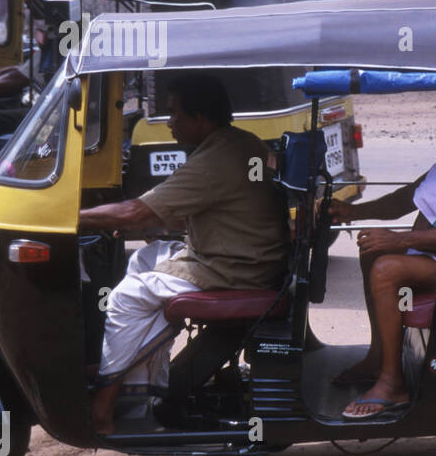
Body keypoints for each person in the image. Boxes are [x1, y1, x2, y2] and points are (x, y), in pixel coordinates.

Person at [79, 74, 289, 433]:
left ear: (200, 119)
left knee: (125, 298)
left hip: (236, 271)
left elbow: (135, 211)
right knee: (144, 259)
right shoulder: (237, 143)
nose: (169, 122)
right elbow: (204, 207)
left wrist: (67, 218)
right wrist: (145, 222)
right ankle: (136, 373)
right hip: (245, 256)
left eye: (174, 113)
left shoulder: (215, 160)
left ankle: (105, 401)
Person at [327, 91, 436, 419]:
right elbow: (409, 197)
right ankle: (379, 356)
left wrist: (400, 240)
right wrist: (352, 213)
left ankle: (393, 384)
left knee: (386, 269)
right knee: (370, 253)